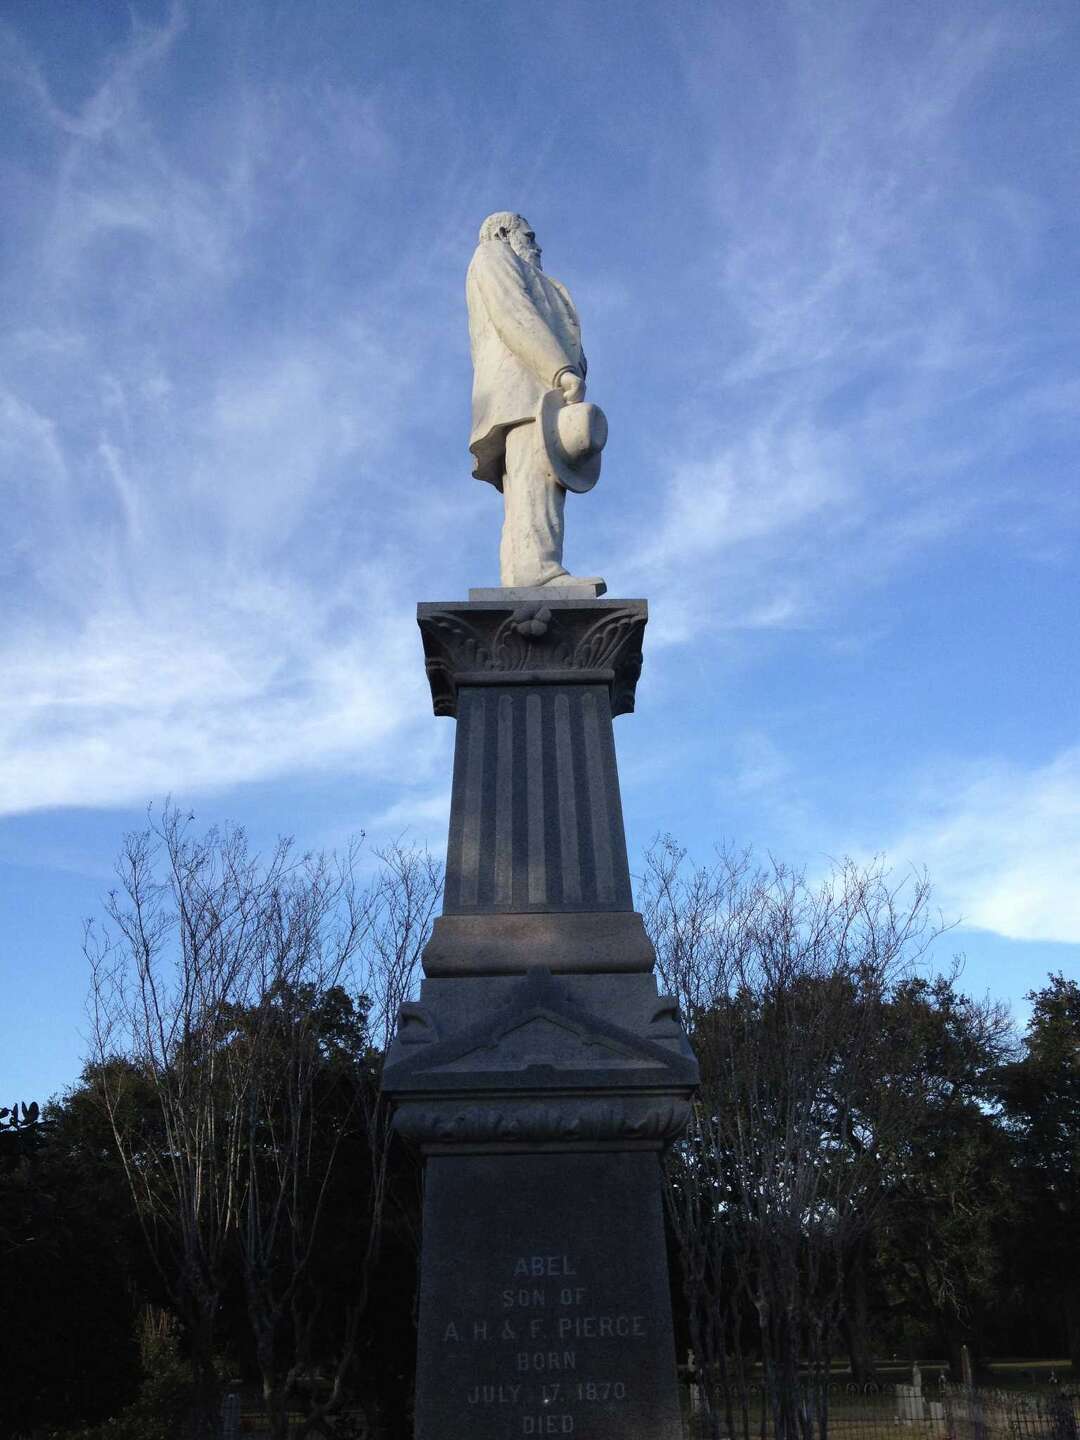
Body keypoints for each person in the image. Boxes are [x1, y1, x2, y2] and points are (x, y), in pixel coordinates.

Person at [466, 212, 605, 589]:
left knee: (530, 488)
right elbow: (515, 315)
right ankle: (538, 571)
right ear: (502, 233)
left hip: (542, 392)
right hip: (527, 391)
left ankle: (523, 573)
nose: (537, 245)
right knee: (534, 479)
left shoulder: (548, 284)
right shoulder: (493, 256)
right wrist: (560, 371)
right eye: (529, 236)